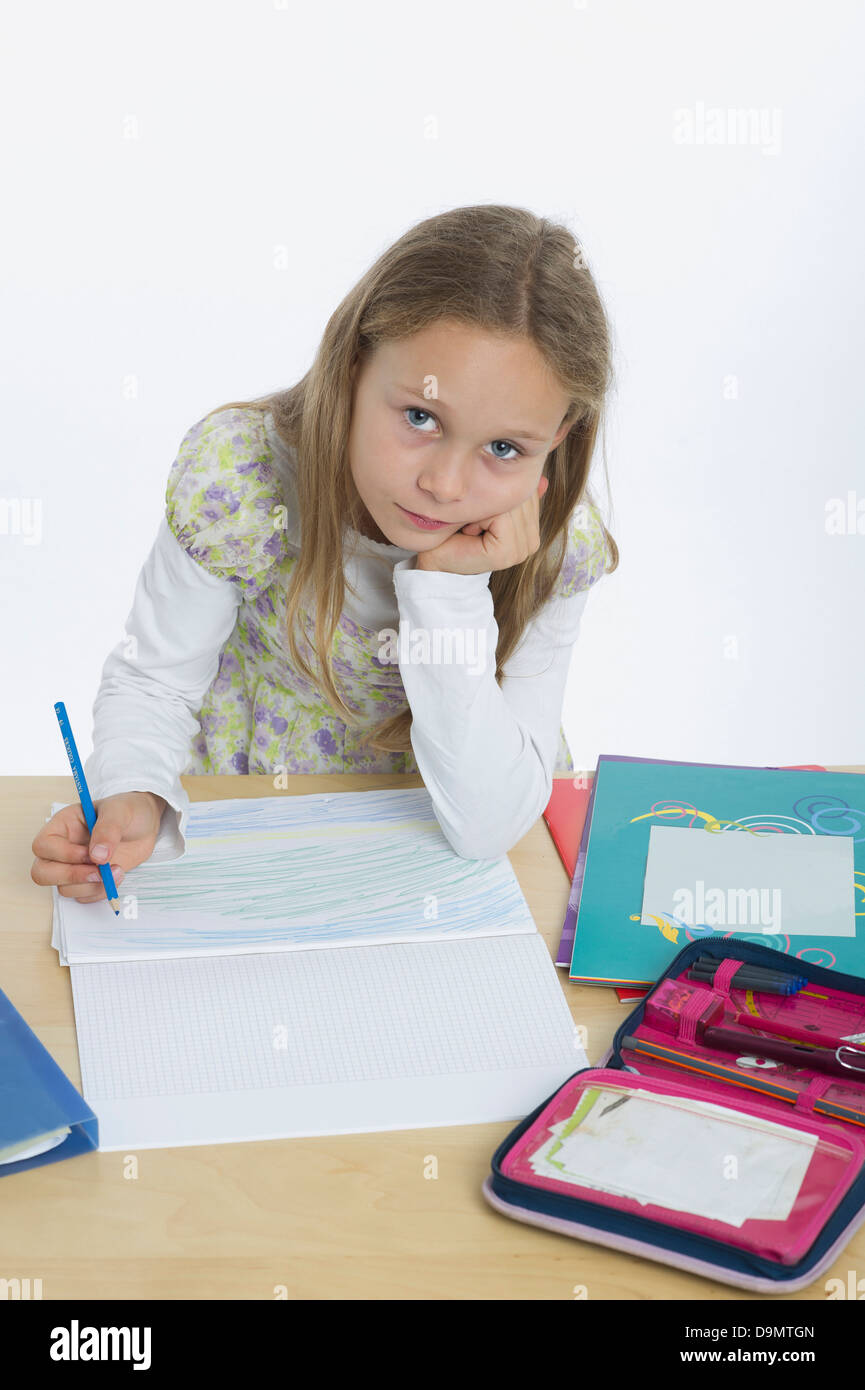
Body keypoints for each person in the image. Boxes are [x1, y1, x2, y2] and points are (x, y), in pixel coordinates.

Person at [31, 203, 618, 906]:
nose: (445, 484)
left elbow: (484, 826)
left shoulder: (553, 542)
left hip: (446, 849)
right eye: (420, 418)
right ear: (351, 368)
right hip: (256, 823)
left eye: (503, 448)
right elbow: (156, 683)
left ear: (558, 438)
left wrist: (451, 592)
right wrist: (135, 793)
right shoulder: (241, 482)